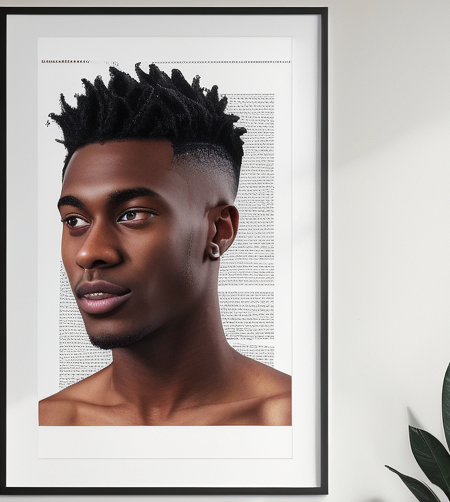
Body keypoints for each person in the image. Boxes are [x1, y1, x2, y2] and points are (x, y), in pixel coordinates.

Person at [38, 64, 291, 427]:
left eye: (132, 215)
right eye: (74, 221)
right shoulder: (46, 425)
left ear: (219, 231)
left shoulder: (293, 420)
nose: (88, 253)